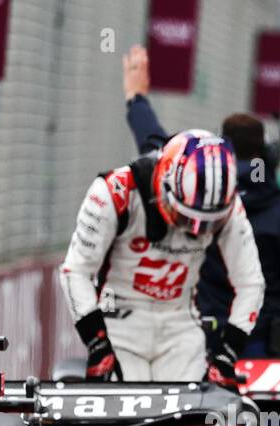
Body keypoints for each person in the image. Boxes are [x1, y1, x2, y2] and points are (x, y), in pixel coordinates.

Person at [121, 44, 280, 358]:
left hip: (192, 353)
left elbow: (153, 141)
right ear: (270, 158)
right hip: (260, 359)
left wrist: (136, 98)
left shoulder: (188, 190)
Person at [58, 126, 263, 392]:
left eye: (208, 225)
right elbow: (76, 270)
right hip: (119, 325)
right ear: (165, 182)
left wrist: (228, 353)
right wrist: (97, 343)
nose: (195, 230)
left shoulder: (228, 205)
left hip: (181, 327)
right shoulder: (116, 191)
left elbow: (251, 283)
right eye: (186, 217)